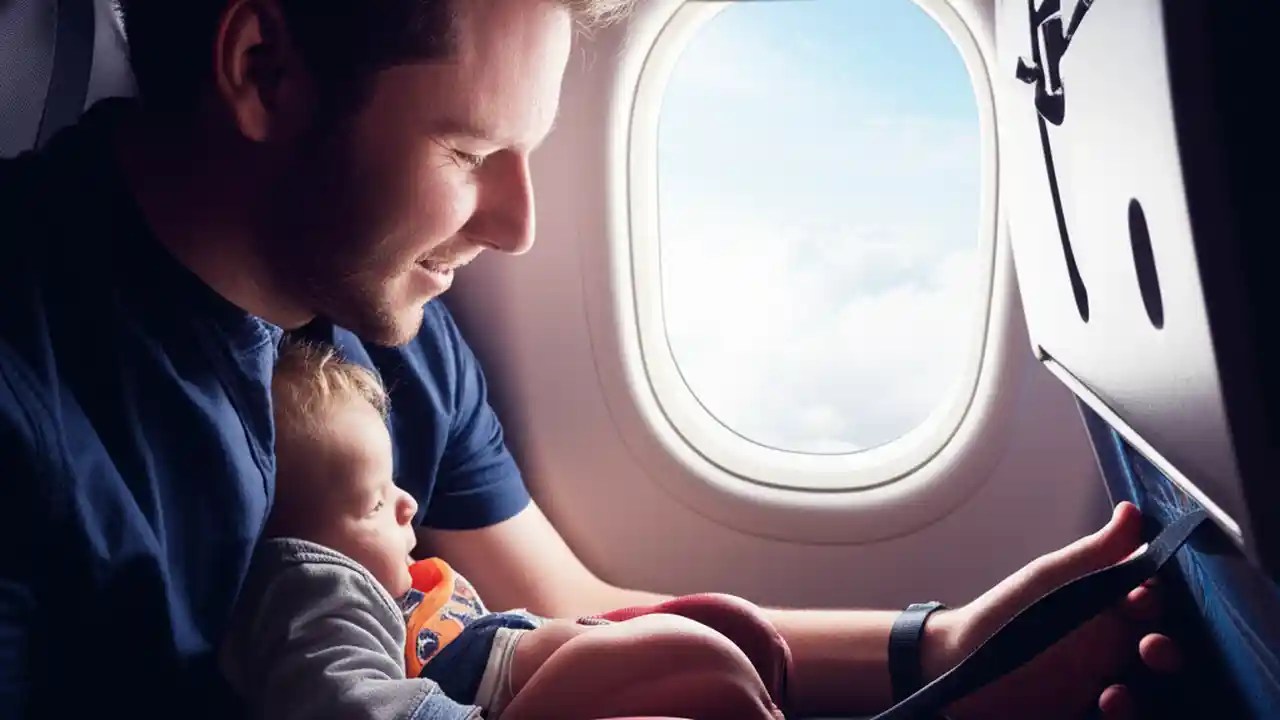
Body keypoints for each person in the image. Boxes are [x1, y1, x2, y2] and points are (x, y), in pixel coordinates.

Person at [0, 0, 1179, 718]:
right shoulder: (27, 395)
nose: (516, 224)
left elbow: (563, 610)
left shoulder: (379, 325)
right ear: (262, 69)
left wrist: (942, 649)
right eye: (469, 151)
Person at [220, 338, 790, 719]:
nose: (408, 503)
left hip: (499, 654)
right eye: (374, 504)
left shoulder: (370, 583)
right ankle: (638, 651)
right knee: (662, 659)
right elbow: (349, 702)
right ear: (301, 545)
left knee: (667, 648)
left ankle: (617, 642)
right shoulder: (316, 595)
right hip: (494, 696)